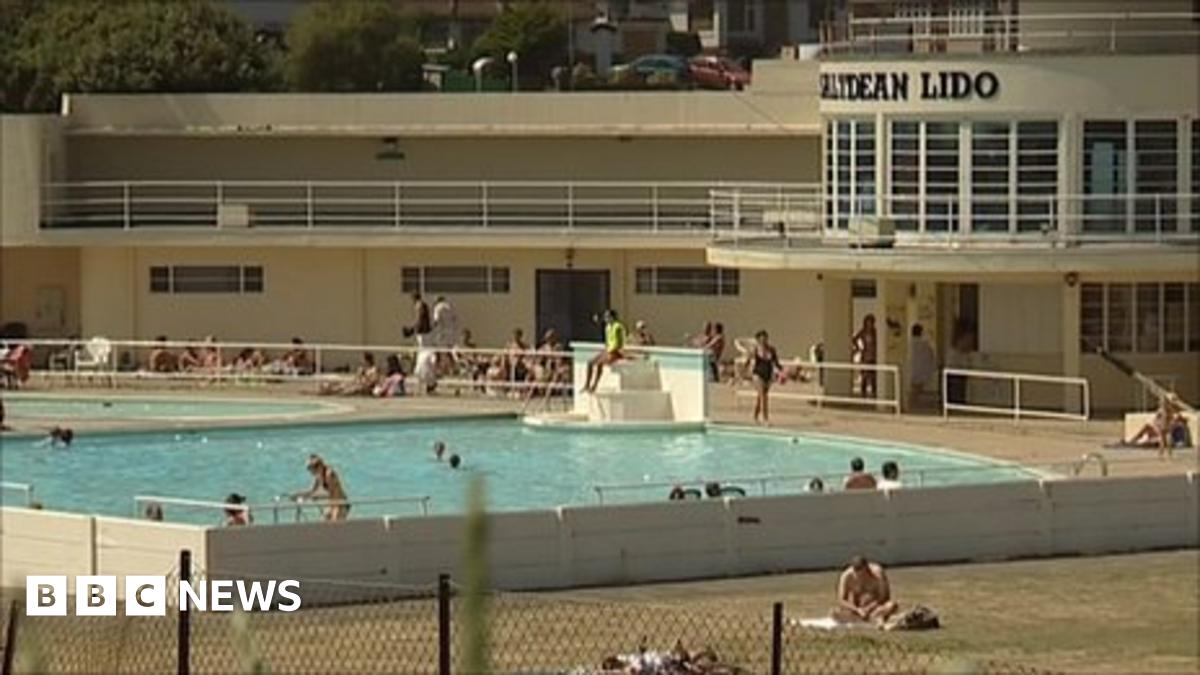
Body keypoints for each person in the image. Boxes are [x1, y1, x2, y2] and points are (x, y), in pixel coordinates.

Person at [832, 556, 899, 625]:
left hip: (876, 608)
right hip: (856, 608)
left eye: (864, 575)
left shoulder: (877, 573)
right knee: (834, 613)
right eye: (858, 576)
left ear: (868, 569)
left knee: (892, 605)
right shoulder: (846, 576)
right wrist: (857, 610)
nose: (862, 578)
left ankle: (872, 617)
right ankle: (870, 618)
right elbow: (841, 600)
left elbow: (884, 597)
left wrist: (868, 608)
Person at [293, 454, 350, 521]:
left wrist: (317, 497)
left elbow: (333, 494)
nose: (311, 473)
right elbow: (312, 491)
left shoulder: (329, 475)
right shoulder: (319, 475)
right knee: (323, 522)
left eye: (312, 470)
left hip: (341, 504)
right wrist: (299, 495)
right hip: (332, 504)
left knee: (334, 526)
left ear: (319, 467)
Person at [584, 309, 626, 393]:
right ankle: (587, 384)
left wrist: (613, 351)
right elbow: (607, 342)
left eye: (608, 317)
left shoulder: (618, 326)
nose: (606, 318)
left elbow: (620, 342)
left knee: (600, 364)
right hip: (608, 350)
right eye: (606, 317)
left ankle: (594, 385)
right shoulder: (607, 327)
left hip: (615, 351)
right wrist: (605, 351)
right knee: (590, 362)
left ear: (613, 317)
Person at [750, 330, 783, 426]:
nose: (763, 341)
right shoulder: (755, 350)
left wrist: (782, 371)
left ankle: (755, 416)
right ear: (758, 340)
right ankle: (765, 419)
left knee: (760, 398)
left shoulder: (772, 350)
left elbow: (776, 363)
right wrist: (742, 374)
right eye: (761, 339)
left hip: (768, 375)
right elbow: (748, 361)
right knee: (764, 397)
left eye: (765, 338)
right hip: (757, 374)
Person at [907, 324, 936, 409]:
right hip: (921, 370)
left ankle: (911, 404)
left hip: (913, 369)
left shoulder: (910, 343)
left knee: (914, 388)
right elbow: (930, 355)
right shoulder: (924, 344)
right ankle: (911, 404)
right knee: (917, 389)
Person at [852, 315, 878, 399]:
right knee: (864, 375)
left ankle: (874, 392)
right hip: (865, 355)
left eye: (871, 322)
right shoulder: (863, 331)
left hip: (874, 355)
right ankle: (863, 393)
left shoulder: (875, 332)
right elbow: (854, 339)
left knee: (873, 375)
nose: (869, 323)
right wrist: (858, 348)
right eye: (868, 321)